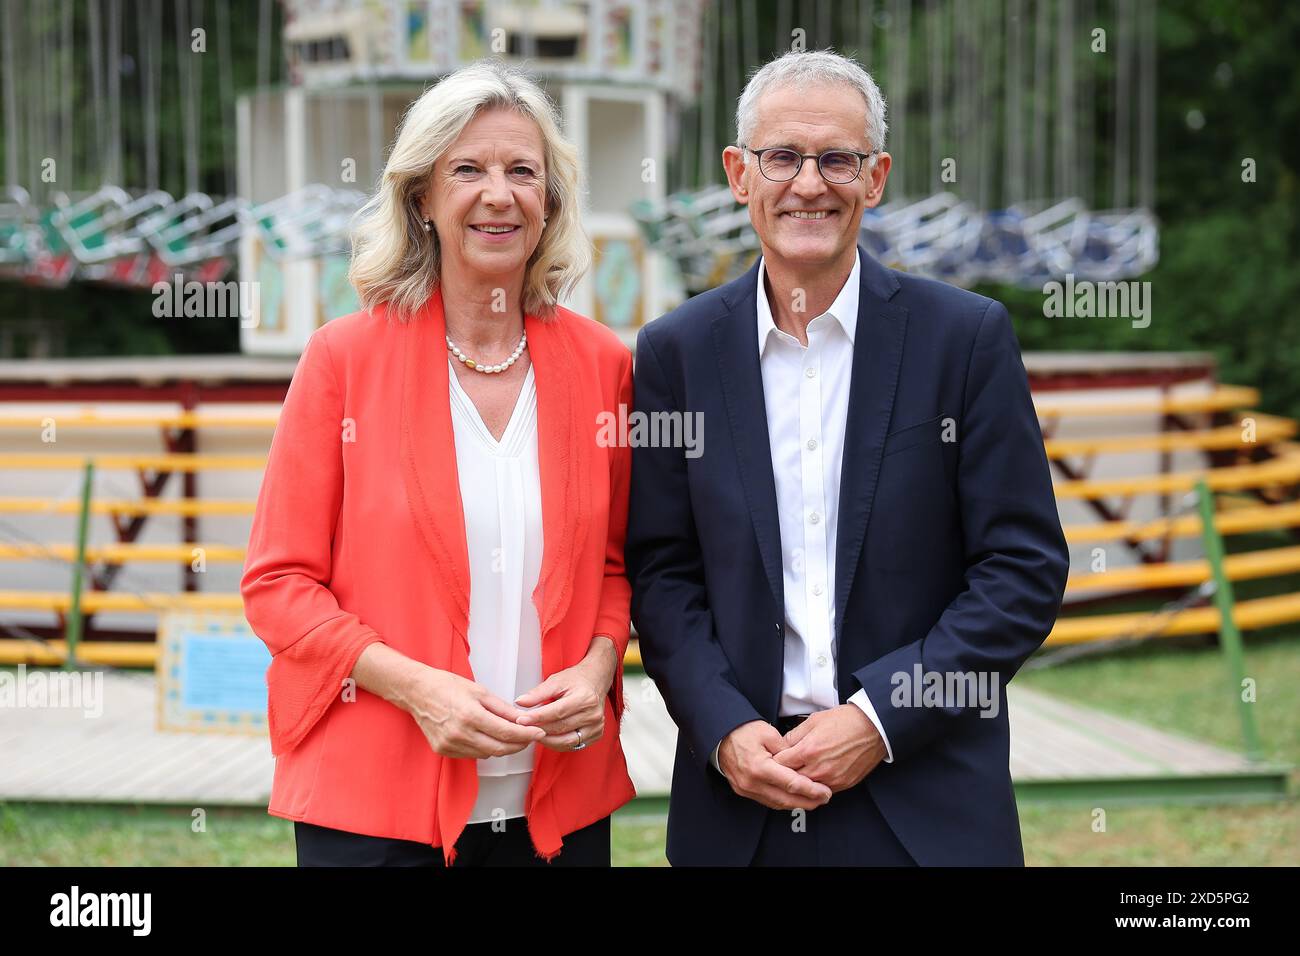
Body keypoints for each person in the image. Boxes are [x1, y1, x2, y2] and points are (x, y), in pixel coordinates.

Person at [626, 50, 1069, 866]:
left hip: (925, 797)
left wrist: (877, 720)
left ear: (875, 177)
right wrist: (723, 728)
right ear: (738, 173)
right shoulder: (674, 353)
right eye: (782, 157)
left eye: (838, 158)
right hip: (742, 805)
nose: (808, 183)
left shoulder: (964, 340)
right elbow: (661, 572)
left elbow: (1022, 567)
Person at [240, 61, 636, 867]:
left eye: (523, 171)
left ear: (550, 199)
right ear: (422, 197)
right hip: (375, 808)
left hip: (556, 803)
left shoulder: (603, 365)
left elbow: (619, 566)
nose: (499, 194)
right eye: (468, 170)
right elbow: (277, 585)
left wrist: (598, 668)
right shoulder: (342, 360)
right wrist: (416, 688)